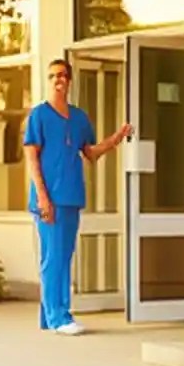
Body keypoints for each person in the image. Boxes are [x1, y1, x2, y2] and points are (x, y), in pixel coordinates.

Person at [23, 58, 133, 335]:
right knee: (53, 257)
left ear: (69, 81)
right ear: (48, 81)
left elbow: (91, 153)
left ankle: (49, 317)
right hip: (49, 198)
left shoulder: (80, 118)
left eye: (62, 75)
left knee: (64, 256)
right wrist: (42, 198)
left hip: (71, 196)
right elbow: (31, 157)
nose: (57, 80)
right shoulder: (39, 116)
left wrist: (117, 137)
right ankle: (59, 317)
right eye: (52, 76)